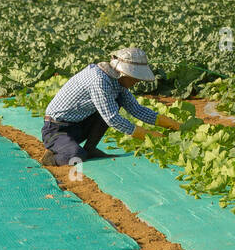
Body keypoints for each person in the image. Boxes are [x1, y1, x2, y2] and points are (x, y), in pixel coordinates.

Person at [40, 47, 182, 167]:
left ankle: (90, 149)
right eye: (135, 77)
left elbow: (136, 109)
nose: (137, 81)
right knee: (77, 156)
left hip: (78, 125)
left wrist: (171, 124)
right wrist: (147, 135)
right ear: (123, 72)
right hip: (56, 128)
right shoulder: (98, 80)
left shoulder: (116, 82)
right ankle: (51, 158)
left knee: (115, 102)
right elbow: (112, 119)